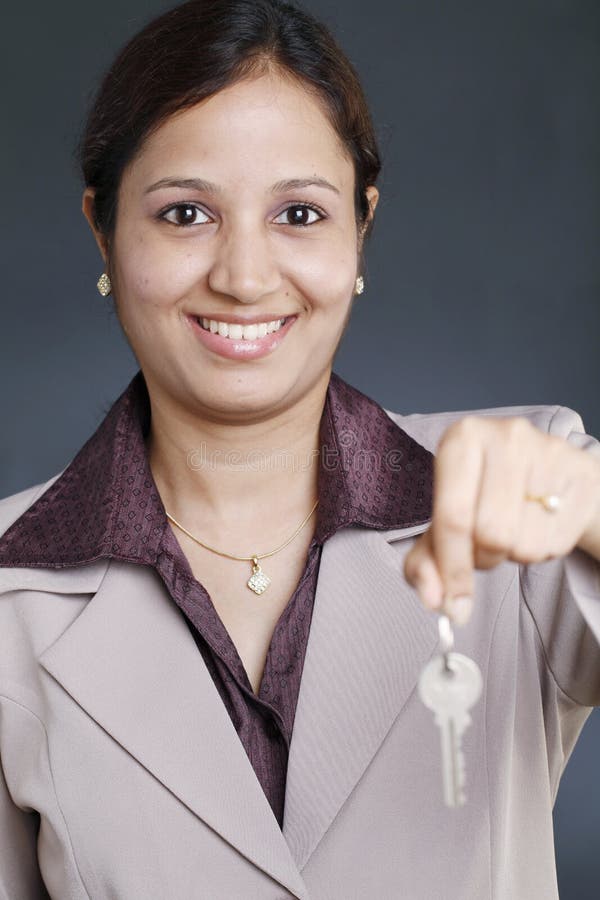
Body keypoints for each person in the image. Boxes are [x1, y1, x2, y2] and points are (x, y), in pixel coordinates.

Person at [0, 0, 599, 897]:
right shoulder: (9, 594)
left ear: (363, 226)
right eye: (186, 212)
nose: (244, 277)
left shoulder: (525, 501)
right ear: (104, 229)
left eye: (301, 215)